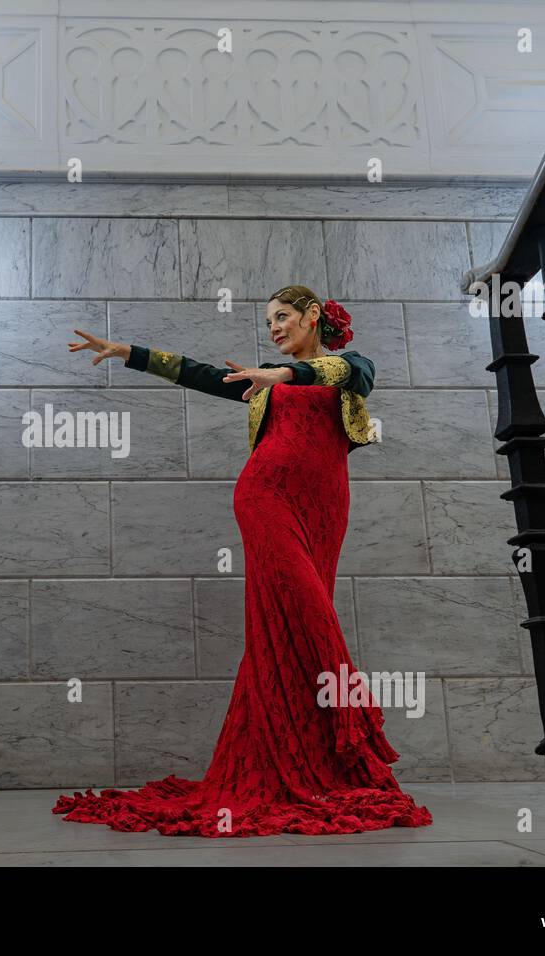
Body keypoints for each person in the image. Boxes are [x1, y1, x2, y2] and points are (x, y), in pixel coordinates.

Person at [56, 284, 434, 837]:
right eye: (268, 322)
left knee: (284, 634)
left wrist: (282, 375)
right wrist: (128, 352)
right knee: (307, 617)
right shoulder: (263, 384)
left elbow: (345, 374)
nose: (274, 330)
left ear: (313, 316)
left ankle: (308, 764)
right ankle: (350, 740)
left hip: (326, 510)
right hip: (266, 498)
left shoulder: (350, 368)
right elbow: (202, 374)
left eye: (283, 318)